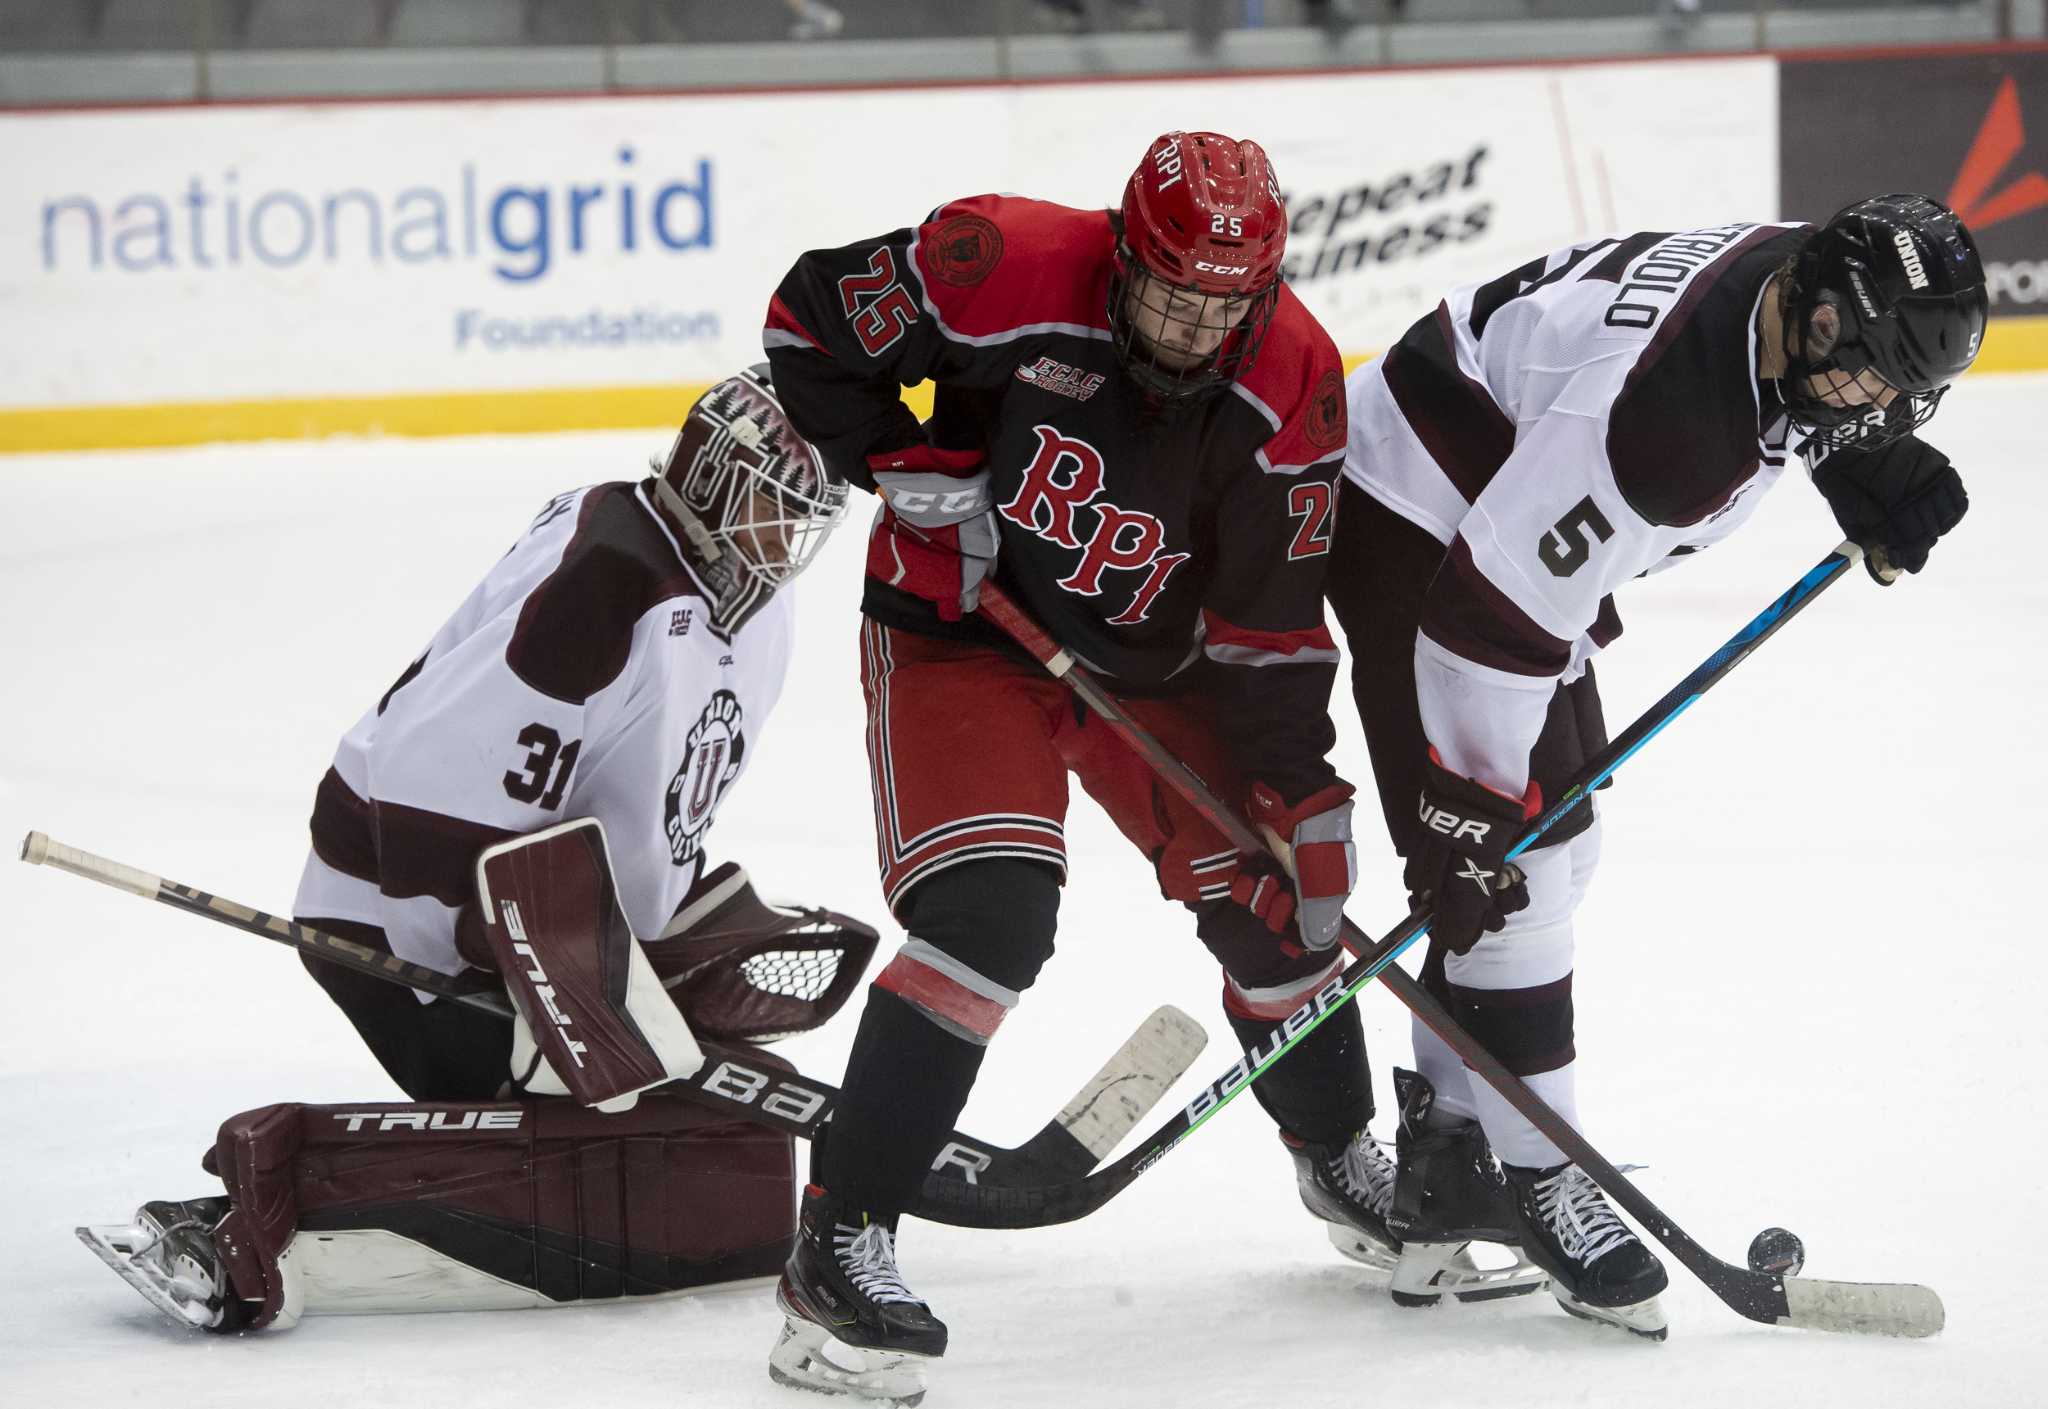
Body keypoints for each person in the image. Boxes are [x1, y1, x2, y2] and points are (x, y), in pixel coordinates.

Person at [758, 128, 1530, 1404]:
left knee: (1285, 909)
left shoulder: (1292, 382)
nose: (1185, 325)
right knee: (986, 919)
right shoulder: (997, 259)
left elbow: (1273, 627)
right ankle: (841, 1238)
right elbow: (807, 326)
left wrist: (1299, 787)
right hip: (964, 631)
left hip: (1153, 672)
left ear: (1264, 290)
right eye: (1166, 290)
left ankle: (1339, 1162)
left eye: (1221, 303)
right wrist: (915, 465)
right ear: (1120, 255)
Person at [1328, 195, 1983, 1338]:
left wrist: (1850, 456)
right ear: (1820, 323)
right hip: (1419, 515)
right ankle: (1540, 1175)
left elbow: (1781, 396)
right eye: (1868, 377)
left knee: (1549, 866)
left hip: (1498, 498)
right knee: (1521, 865)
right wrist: (1467, 807)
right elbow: (1482, 621)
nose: (1877, 405)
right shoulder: (1659, 429)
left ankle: (1447, 1153)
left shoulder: (1797, 282)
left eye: (1894, 390)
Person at [82, 368, 858, 1333]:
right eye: (780, 508)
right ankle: (252, 1218)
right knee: (593, 1149)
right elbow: (419, 788)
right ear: (715, 478)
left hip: (558, 926)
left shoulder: (751, 603)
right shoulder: (605, 589)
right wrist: (482, 965)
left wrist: (653, 946)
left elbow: (643, 802)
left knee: (707, 1148)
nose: (793, 541)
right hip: (406, 908)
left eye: (810, 515)